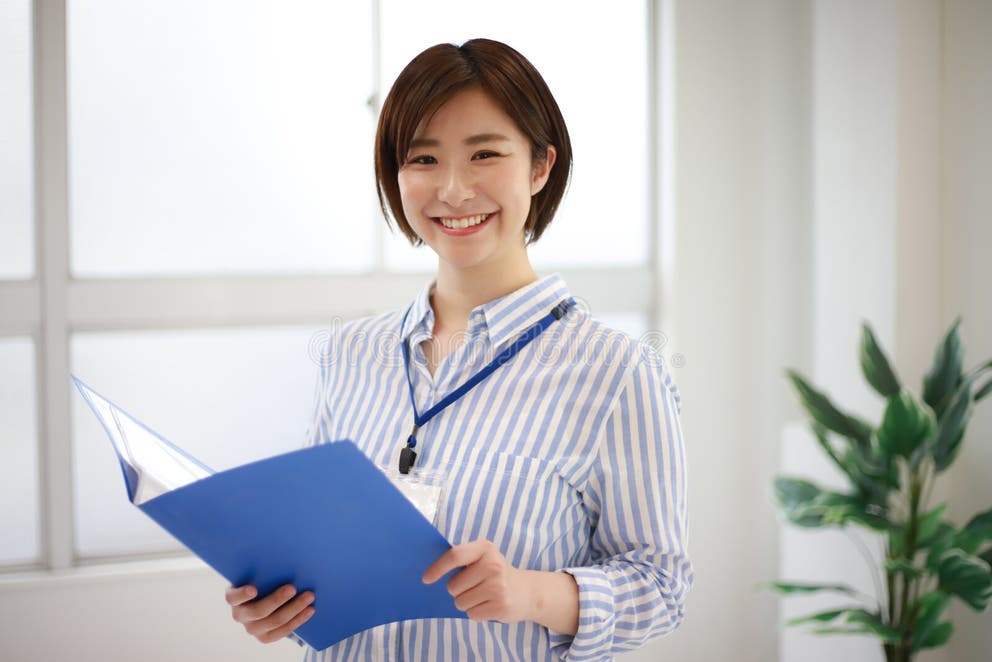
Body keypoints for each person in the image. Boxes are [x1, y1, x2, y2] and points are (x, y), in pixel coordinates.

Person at [224, 38, 692, 661]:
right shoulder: (351, 353)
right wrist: (275, 601)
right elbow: (316, 549)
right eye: (423, 158)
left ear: (539, 167)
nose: (452, 189)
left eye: (485, 154)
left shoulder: (616, 372)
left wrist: (530, 593)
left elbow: (661, 586)